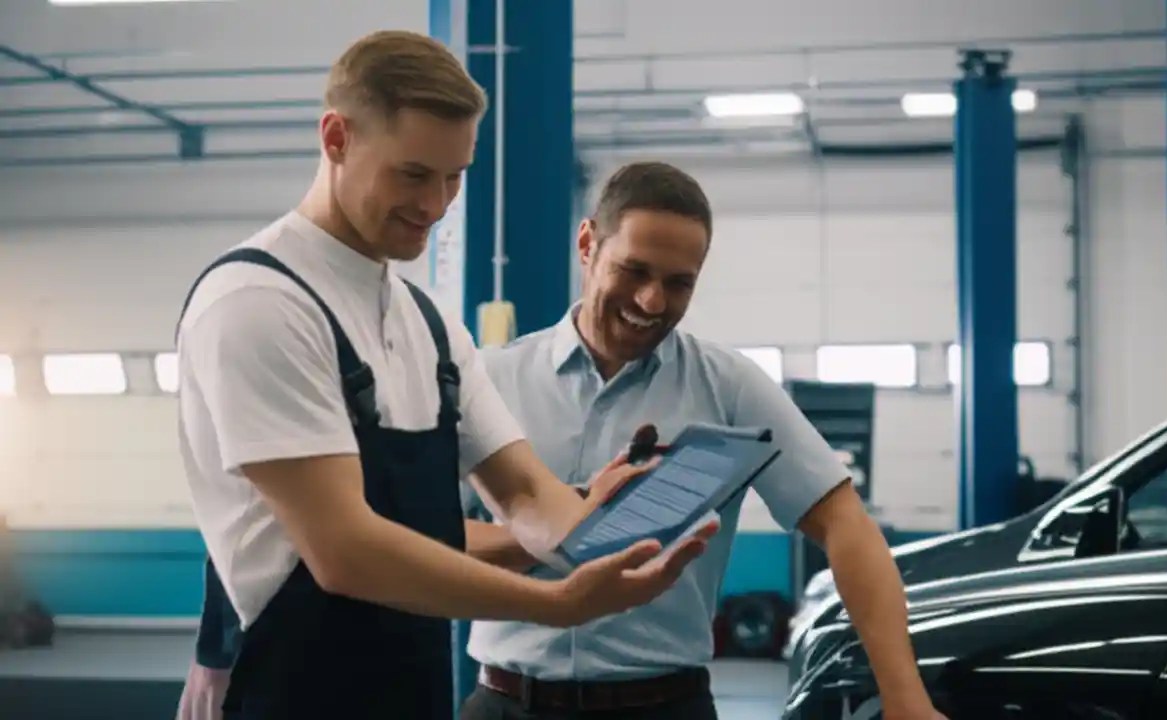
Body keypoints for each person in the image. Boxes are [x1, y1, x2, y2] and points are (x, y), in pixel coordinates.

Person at [173, 32, 715, 720]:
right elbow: (345, 552)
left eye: (455, 176)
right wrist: (555, 602)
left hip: (412, 692)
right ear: (337, 137)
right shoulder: (258, 304)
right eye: (413, 174)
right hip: (290, 695)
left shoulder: (427, 323)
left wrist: (593, 528)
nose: (436, 204)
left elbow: (522, 490)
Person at [454, 162, 947, 720]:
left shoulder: (728, 387)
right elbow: (415, 537)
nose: (651, 302)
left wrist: (906, 697)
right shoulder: (492, 379)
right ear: (588, 244)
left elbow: (845, 523)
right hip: (507, 702)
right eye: (633, 270)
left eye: (678, 283)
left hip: (662, 706)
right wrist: (564, 533)